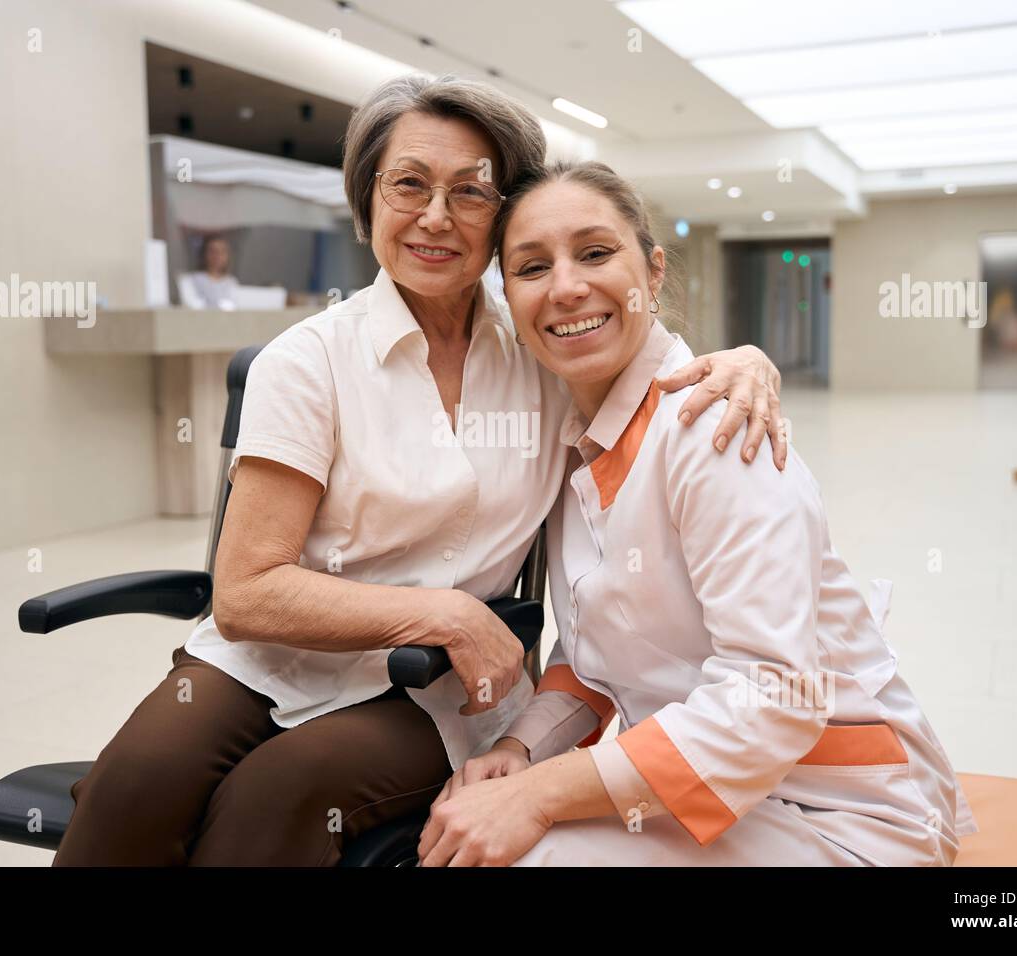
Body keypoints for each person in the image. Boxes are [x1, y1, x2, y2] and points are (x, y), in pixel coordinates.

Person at [52, 76, 785, 867]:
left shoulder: (539, 349)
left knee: (273, 798)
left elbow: (633, 346)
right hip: (271, 657)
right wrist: (446, 612)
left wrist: (745, 359)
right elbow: (246, 591)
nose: (436, 217)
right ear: (368, 198)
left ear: (501, 218)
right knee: (131, 785)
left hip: (439, 690)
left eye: (471, 193)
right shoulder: (308, 361)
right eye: (409, 184)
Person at [417, 161, 978, 867]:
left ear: (653, 273)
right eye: (532, 267)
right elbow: (594, 652)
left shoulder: (716, 429)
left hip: (841, 813)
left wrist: (541, 793)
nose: (566, 287)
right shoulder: (577, 440)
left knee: (523, 853)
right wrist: (520, 748)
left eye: (595, 253)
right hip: (721, 792)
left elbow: (771, 698)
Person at [190, 235, 239, 309]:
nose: (217, 256)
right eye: (213, 251)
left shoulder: (232, 282)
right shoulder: (194, 279)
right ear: (204, 254)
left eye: (222, 252)